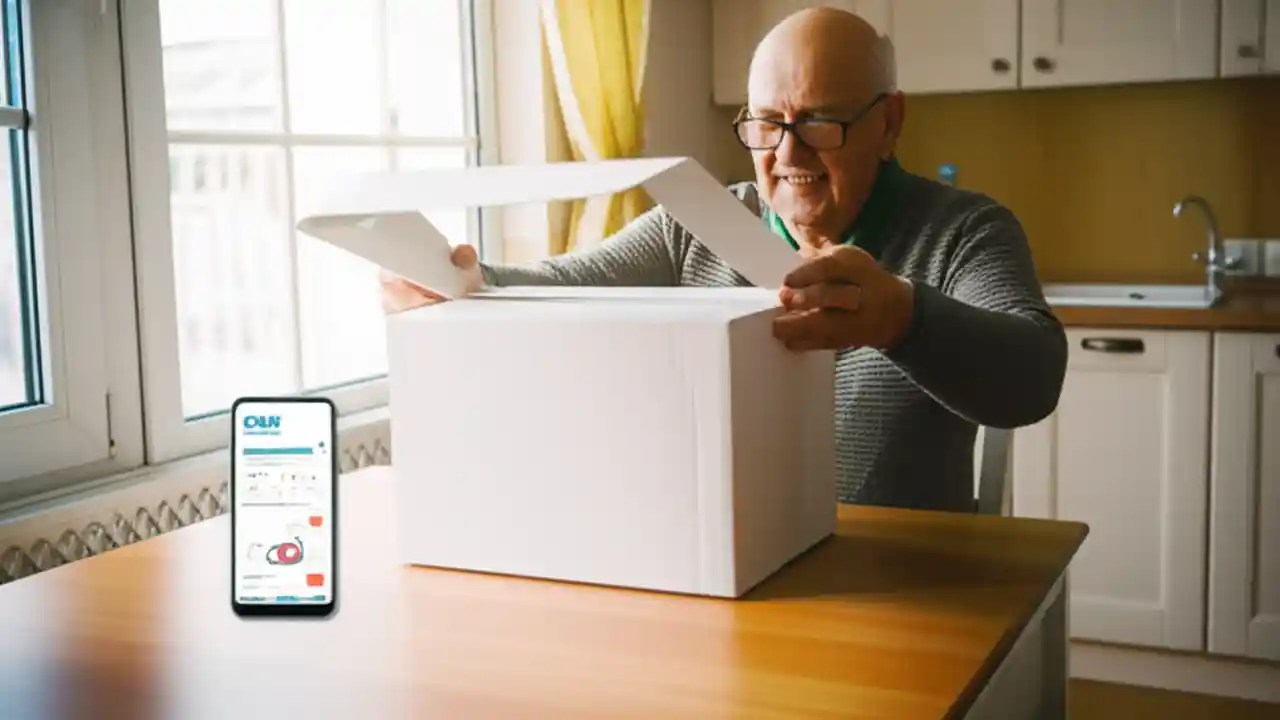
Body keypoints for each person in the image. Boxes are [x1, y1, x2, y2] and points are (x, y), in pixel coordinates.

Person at [381, 7, 1067, 512]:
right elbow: (559, 285)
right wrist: (458, 283)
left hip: (897, 580)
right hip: (725, 564)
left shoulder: (964, 230)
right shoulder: (701, 224)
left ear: (889, 123)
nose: (788, 156)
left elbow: (1034, 375)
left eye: (820, 124)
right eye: (767, 124)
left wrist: (900, 318)